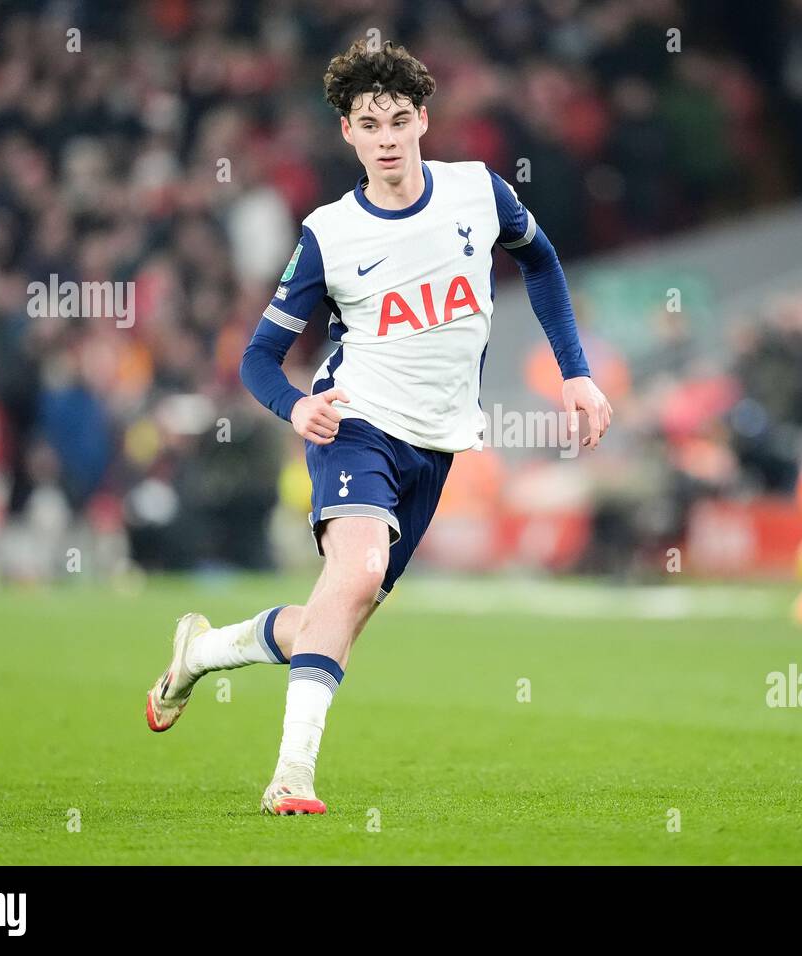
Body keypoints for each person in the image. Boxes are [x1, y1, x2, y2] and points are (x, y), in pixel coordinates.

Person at [144, 39, 613, 814]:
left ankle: (199, 652)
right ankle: (291, 776)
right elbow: (259, 358)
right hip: (352, 426)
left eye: (400, 119)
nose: (388, 137)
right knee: (356, 576)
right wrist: (297, 406)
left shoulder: (478, 193)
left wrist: (576, 372)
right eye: (371, 123)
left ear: (423, 119)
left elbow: (543, 262)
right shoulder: (329, 234)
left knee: (332, 616)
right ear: (348, 134)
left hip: (438, 444)